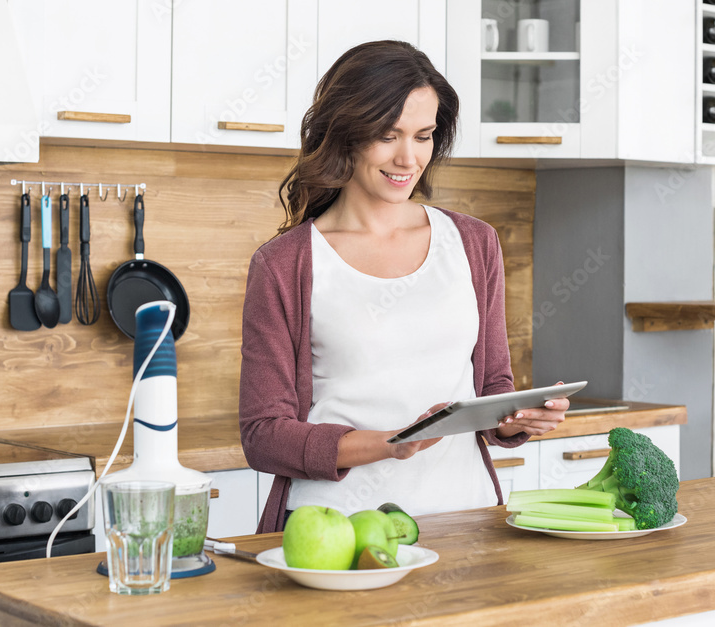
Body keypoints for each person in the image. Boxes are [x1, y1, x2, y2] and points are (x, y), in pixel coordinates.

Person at [238, 40, 569, 534]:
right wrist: (391, 444)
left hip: (468, 518)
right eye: (387, 135)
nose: (408, 158)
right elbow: (264, 435)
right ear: (345, 134)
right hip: (338, 529)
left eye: (423, 136)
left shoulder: (474, 243)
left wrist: (516, 417)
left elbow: (492, 388)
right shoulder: (286, 264)